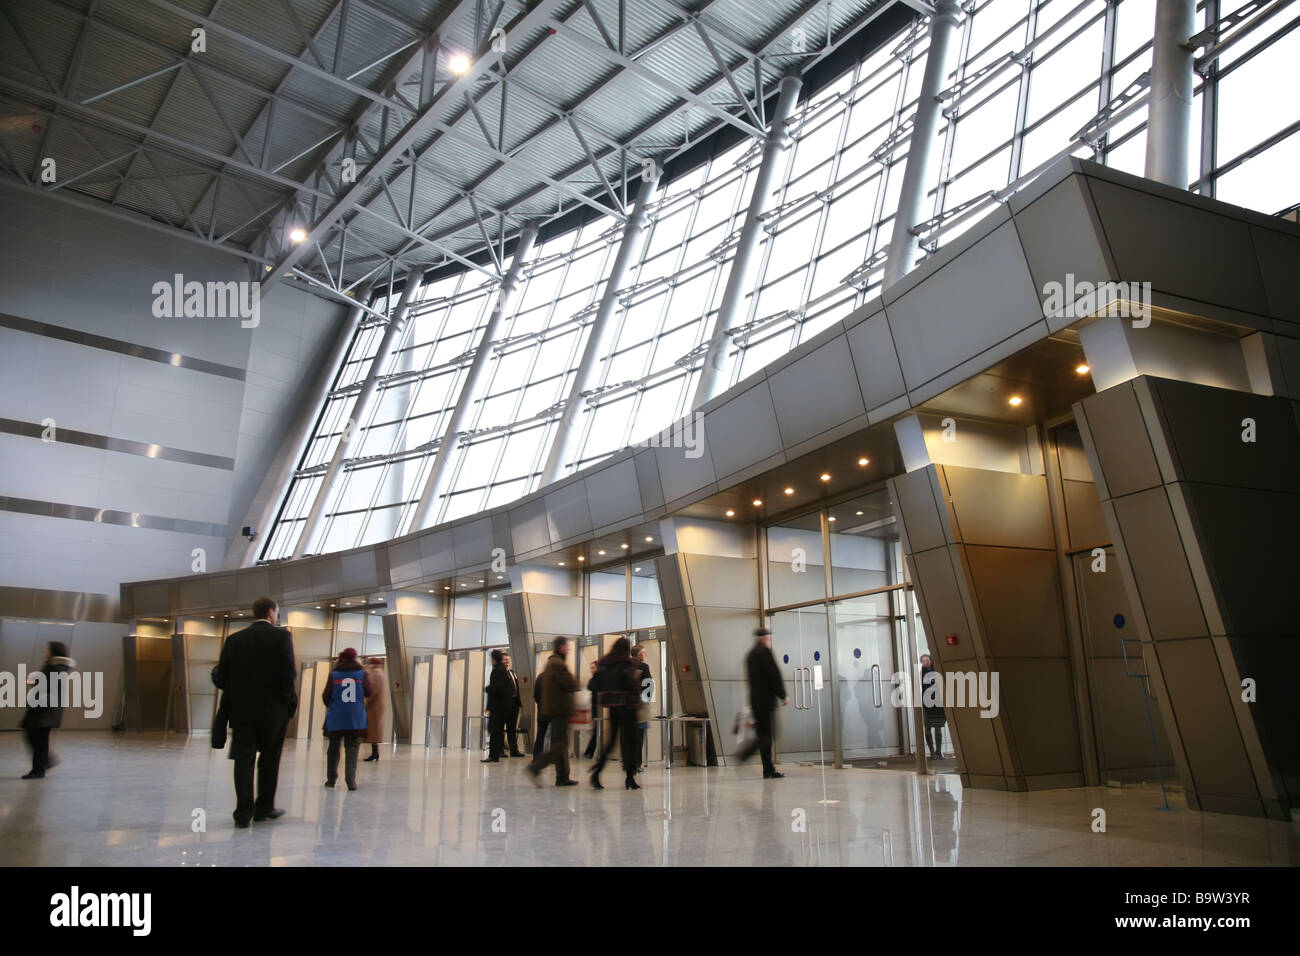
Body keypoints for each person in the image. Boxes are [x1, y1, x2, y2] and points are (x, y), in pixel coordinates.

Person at [212, 597, 297, 827]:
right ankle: (264, 808)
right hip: (273, 712)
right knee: (270, 759)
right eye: (277, 612)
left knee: (243, 760)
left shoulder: (234, 640)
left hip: (242, 712)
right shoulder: (282, 636)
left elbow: (221, 677)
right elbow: (288, 674)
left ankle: (243, 813)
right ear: (271, 612)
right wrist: (288, 703)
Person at [590, 637, 641, 791]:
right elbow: (630, 684)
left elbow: (595, 684)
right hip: (627, 707)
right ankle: (630, 777)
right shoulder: (626, 664)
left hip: (612, 708)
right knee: (631, 742)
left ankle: (596, 772)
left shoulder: (604, 664)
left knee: (611, 742)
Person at [736, 628, 787, 779]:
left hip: (756, 701)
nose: (769, 639)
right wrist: (782, 695)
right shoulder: (765, 652)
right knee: (767, 736)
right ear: (764, 638)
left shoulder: (751, 654)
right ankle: (752, 760)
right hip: (766, 701)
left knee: (764, 735)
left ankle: (767, 769)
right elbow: (774, 674)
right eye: (768, 637)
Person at [20, 641, 75, 779]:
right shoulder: (53, 665)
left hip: (45, 710)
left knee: (38, 738)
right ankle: (44, 763)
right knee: (37, 737)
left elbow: (52, 687)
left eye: (47, 649)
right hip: (43, 708)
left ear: (54, 651)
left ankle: (39, 769)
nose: (45, 651)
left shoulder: (57, 667)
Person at [528, 638, 578, 787]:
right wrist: (576, 682)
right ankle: (536, 766)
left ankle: (562, 777)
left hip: (555, 710)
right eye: (566, 646)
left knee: (560, 744)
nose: (568, 649)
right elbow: (570, 684)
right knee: (559, 745)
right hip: (559, 710)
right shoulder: (557, 664)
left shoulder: (552, 663)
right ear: (560, 647)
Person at [322, 647, 369, 790]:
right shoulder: (362, 674)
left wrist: (333, 706)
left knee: (333, 748)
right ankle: (350, 780)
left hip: (336, 717)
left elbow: (326, 696)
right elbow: (369, 691)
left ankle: (331, 779)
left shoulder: (334, 674)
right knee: (352, 747)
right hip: (355, 717)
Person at [483, 649, 512, 762]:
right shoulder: (502, 670)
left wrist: (487, 688)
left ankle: (493, 755)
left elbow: (497, 687)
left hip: (497, 707)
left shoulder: (498, 671)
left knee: (494, 730)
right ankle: (495, 754)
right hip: (502, 706)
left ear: (494, 659)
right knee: (496, 730)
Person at [920, 654, 946, 759]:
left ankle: (938, 751)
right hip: (927, 702)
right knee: (928, 727)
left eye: (927, 660)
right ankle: (932, 752)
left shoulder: (936, 670)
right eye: (923, 661)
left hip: (937, 702)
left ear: (931, 661)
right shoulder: (924, 672)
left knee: (938, 726)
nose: (925, 662)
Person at [632, 645, 653, 774]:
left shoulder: (625, 665)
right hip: (640, 707)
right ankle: (637, 764)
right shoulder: (643, 667)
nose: (645, 654)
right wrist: (646, 700)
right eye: (643, 652)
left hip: (627, 707)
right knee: (639, 737)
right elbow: (648, 685)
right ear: (639, 654)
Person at [363, 657, 387, 762]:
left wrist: (366, 701)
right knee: (374, 731)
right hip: (376, 705)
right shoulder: (379, 672)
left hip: (373, 706)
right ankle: (375, 752)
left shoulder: (375, 673)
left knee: (373, 730)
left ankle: (375, 753)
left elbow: (372, 689)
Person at [503, 652, 525, 757]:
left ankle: (514, 750)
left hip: (514, 705)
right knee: (503, 728)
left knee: (512, 729)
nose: (507, 661)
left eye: (508, 659)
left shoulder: (512, 672)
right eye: (505, 659)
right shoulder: (501, 673)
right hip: (505, 705)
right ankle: (500, 749)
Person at [582, 660, 600, 759]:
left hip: (598, 709)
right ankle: (589, 752)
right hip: (592, 709)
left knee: (596, 731)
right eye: (591, 668)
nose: (591, 670)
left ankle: (589, 752)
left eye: (593, 667)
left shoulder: (598, 680)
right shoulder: (592, 680)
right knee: (595, 731)